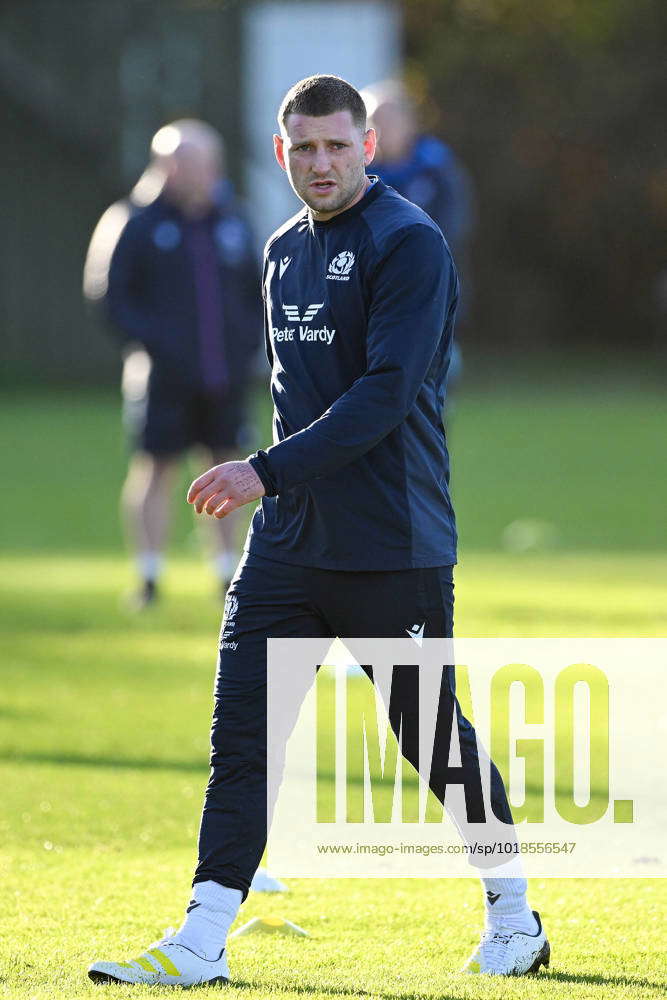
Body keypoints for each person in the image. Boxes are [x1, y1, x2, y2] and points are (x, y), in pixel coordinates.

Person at [88, 76, 549, 986]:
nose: (321, 162)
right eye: (304, 148)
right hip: (289, 548)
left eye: (337, 145)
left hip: (392, 542)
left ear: (367, 147)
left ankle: (514, 914)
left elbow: (383, 395)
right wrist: (275, 490)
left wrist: (260, 471)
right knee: (244, 739)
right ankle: (201, 938)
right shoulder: (277, 252)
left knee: (429, 736)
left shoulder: (409, 244)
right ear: (280, 153)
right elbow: (292, 396)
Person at [83, 119, 262, 607]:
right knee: (154, 469)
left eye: (205, 163)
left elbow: (258, 288)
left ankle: (228, 574)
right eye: (184, 162)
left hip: (224, 372)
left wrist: (245, 341)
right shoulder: (135, 220)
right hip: (161, 376)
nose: (198, 173)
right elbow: (109, 292)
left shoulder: (232, 220)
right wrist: (156, 342)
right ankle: (148, 575)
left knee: (228, 468)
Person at [362, 80, 476, 384]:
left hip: (429, 298)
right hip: (369, 303)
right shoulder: (358, 177)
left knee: (430, 396)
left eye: (389, 120)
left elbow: (453, 231)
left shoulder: (438, 170)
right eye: (374, 121)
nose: (382, 129)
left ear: (409, 122)